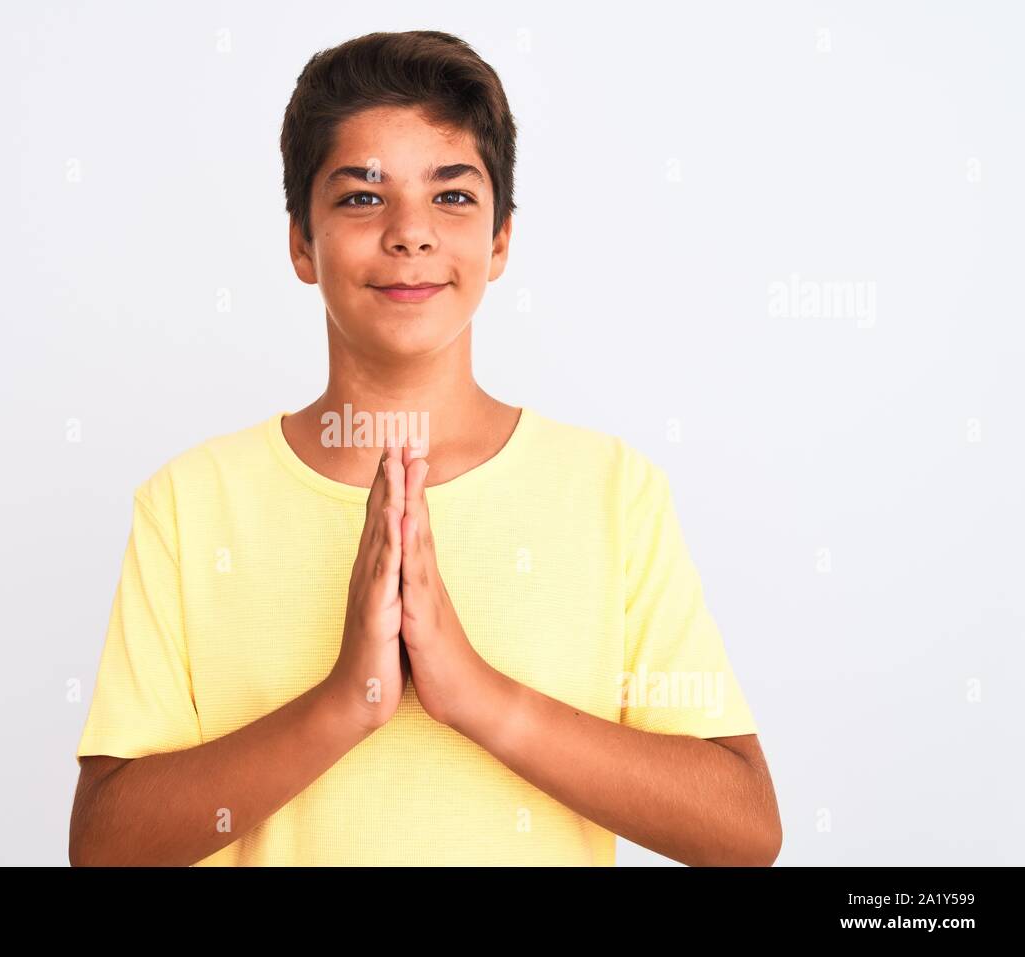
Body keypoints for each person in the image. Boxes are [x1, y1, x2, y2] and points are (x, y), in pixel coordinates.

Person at [68, 30, 780, 866]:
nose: (410, 232)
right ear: (302, 241)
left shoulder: (611, 492)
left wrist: (477, 694)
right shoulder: (190, 504)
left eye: (451, 196)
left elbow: (745, 828)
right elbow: (104, 846)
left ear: (501, 239)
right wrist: (345, 702)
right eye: (363, 198)